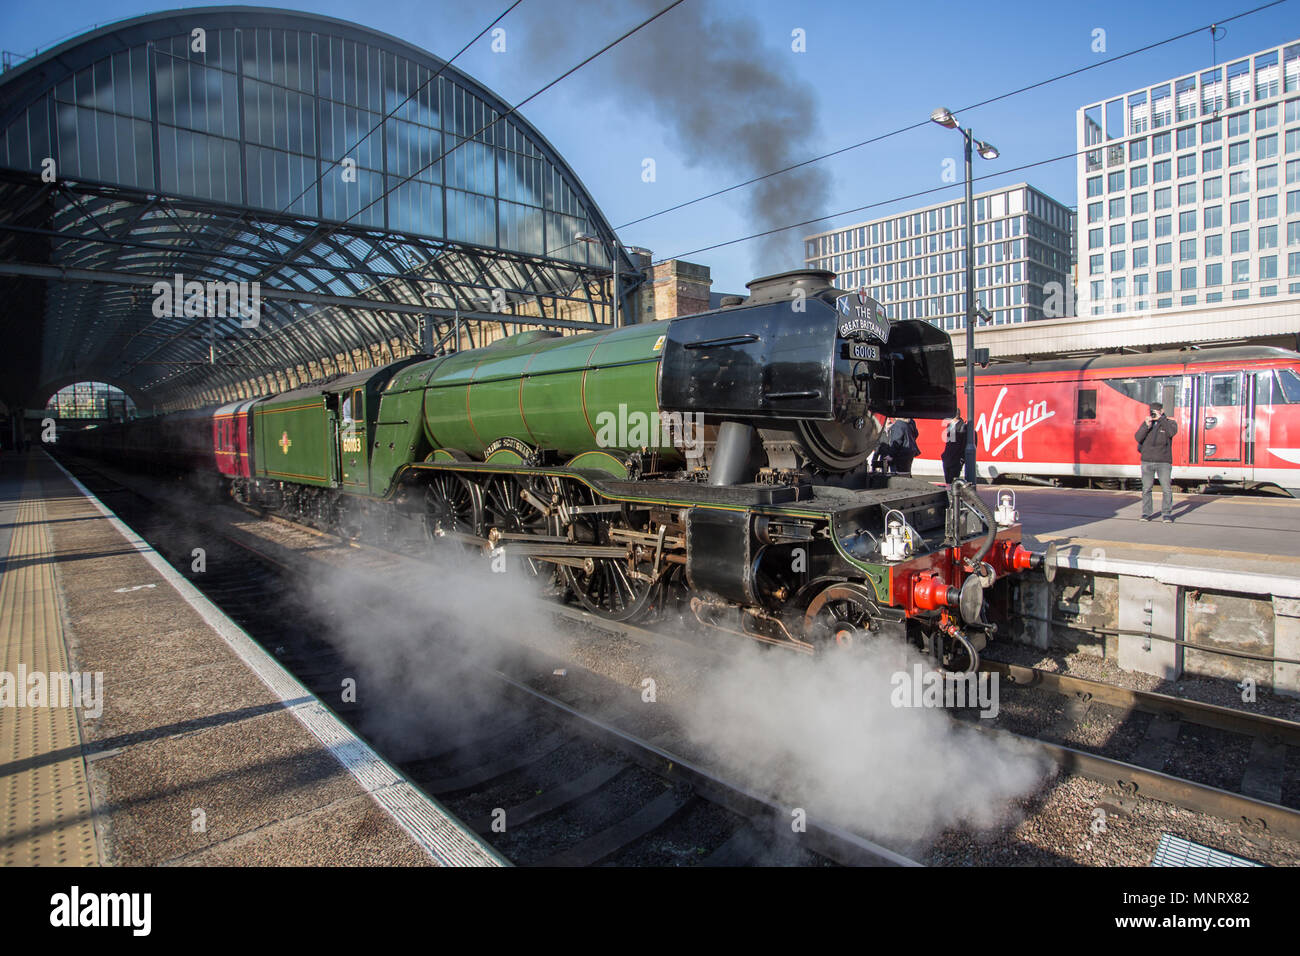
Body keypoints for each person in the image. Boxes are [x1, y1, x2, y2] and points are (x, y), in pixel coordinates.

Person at [1135, 401, 1178, 522]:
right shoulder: (1148, 424)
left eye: (1156, 411)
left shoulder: (1170, 423)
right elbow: (1138, 438)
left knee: (1166, 488)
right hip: (1147, 461)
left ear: (1162, 411)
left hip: (1163, 462)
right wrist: (1146, 425)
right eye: (1152, 411)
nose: (1154, 413)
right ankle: (1146, 513)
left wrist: (1161, 420)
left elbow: (1171, 433)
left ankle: (1167, 513)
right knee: (1146, 488)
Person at [941, 411, 967, 483]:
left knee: (953, 481)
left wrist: (961, 459)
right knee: (948, 481)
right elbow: (949, 442)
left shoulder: (963, 426)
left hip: (956, 459)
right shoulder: (950, 425)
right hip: (947, 457)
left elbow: (963, 444)